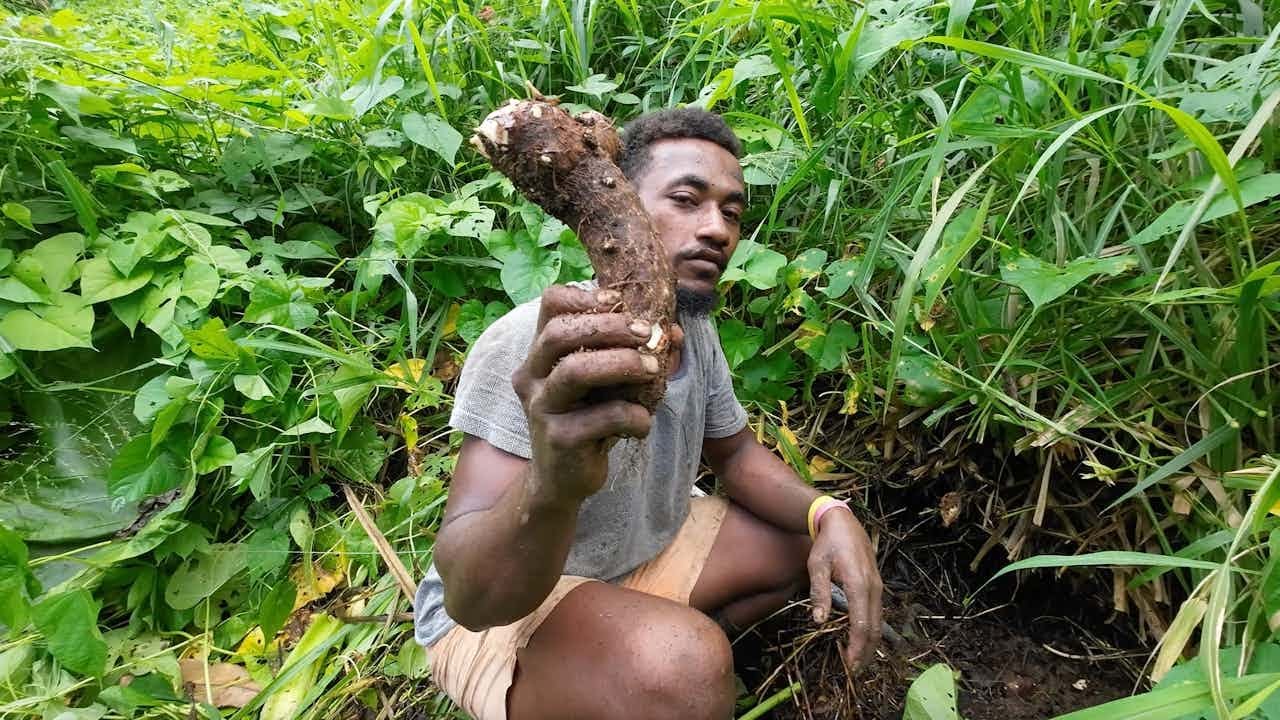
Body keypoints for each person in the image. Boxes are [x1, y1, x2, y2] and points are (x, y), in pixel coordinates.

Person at [413, 107, 882, 720]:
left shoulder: (695, 328)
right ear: (624, 203)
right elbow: (472, 600)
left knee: (799, 544)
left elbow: (736, 455)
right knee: (682, 666)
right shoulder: (535, 342)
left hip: (639, 557)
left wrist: (830, 511)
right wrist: (553, 484)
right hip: (511, 604)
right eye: (687, 199)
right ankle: (649, 673)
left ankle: (641, 665)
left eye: (732, 212)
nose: (717, 229)